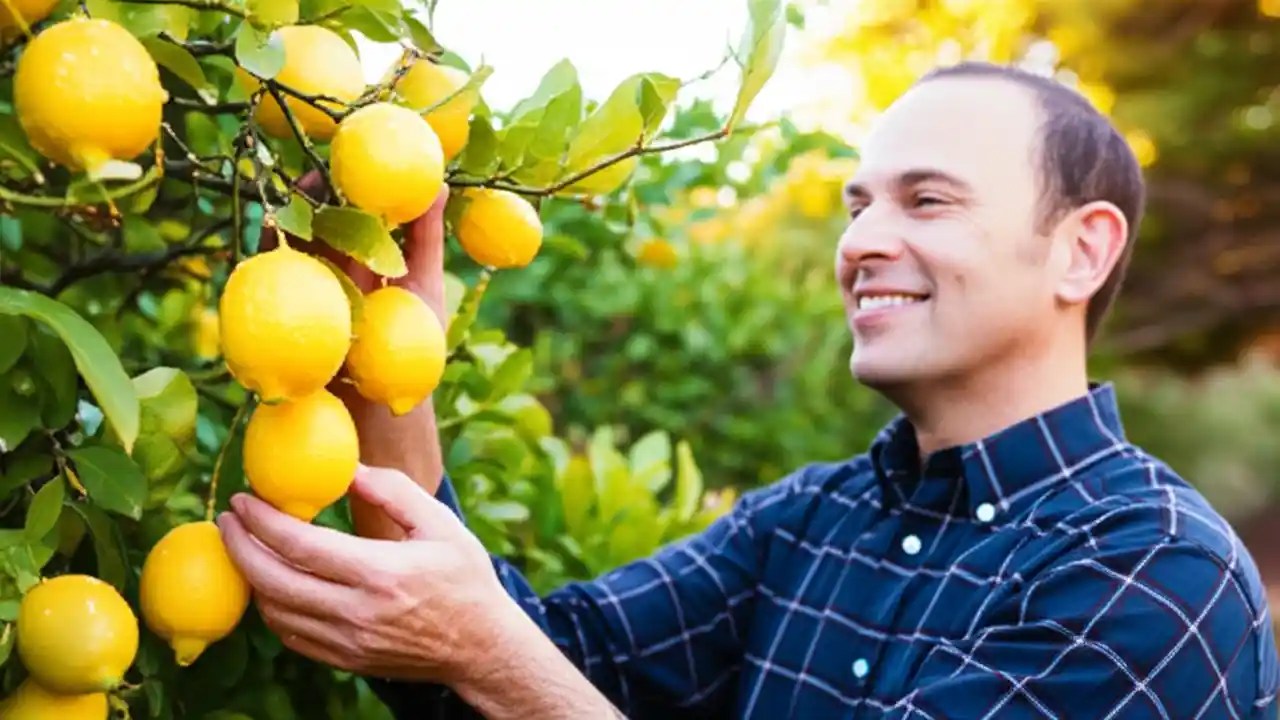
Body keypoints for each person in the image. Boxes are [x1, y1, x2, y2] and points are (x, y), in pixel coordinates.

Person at [217, 61, 1280, 719]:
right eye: (856, 204)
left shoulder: (1150, 576)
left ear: (1078, 252)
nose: (862, 241)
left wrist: (489, 656)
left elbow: (500, 663)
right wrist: (385, 351)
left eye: (925, 200)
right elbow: (521, 666)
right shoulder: (809, 521)